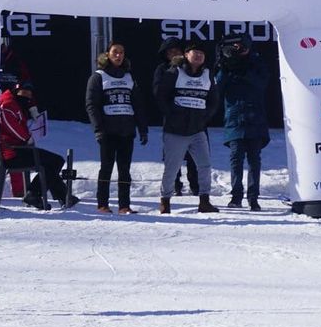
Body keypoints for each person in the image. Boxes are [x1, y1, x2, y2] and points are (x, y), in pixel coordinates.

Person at [154, 40, 220, 214]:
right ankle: (165, 201)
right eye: (194, 52)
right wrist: (173, 114)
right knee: (172, 167)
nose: (198, 55)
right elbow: (161, 95)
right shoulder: (174, 72)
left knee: (205, 166)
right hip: (176, 130)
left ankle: (204, 201)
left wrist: (205, 116)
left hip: (198, 129)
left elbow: (213, 100)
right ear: (185, 55)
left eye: (201, 53)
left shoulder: (207, 74)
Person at [86, 42, 148, 214]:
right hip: (107, 131)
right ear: (107, 54)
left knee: (125, 169)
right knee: (106, 167)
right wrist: (98, 129)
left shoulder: (128, 77)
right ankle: (102, 204)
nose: (118, 55)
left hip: (126, 130)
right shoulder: (98, 77)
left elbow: (138, 104)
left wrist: (143, 129)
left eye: (121, 52)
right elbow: (91, 105)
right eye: (115, 52)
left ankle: (124, 205)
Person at [0, 82, 76, 209]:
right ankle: (36, 193)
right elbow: (10, 126)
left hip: (18, 148)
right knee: (55, 161)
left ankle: (61, 195)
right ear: (16, 91)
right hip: (12, 152)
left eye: (29, 95)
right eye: (24, 93)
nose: (27, 97)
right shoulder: (7, 104)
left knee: (52, 162)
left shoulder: (13, 102)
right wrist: (27, 138)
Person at [215, 33, 269, 211]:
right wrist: (225, 65)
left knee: (254, 160)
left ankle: (253, 198)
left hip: (255, 118)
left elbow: (262, 83)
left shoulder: (256, 62)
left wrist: (243, 68)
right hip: (234, 117)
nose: (237, 50)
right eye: (234, 47)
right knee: (235, 158)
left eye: (241, 46)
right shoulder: (226, 64)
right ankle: (236, 196)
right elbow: (218, 88)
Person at [153, 37, 198, 196]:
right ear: (165, 54)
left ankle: (196, 185)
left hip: (194, 117)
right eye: (170, 51)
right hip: (173, 118)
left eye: (177, 50)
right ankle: (174, 185)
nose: (174, 54)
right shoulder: (162, 69)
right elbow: (158, 93)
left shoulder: (192, 67)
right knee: (173, 155)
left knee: (195, 154)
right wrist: (169, 112)